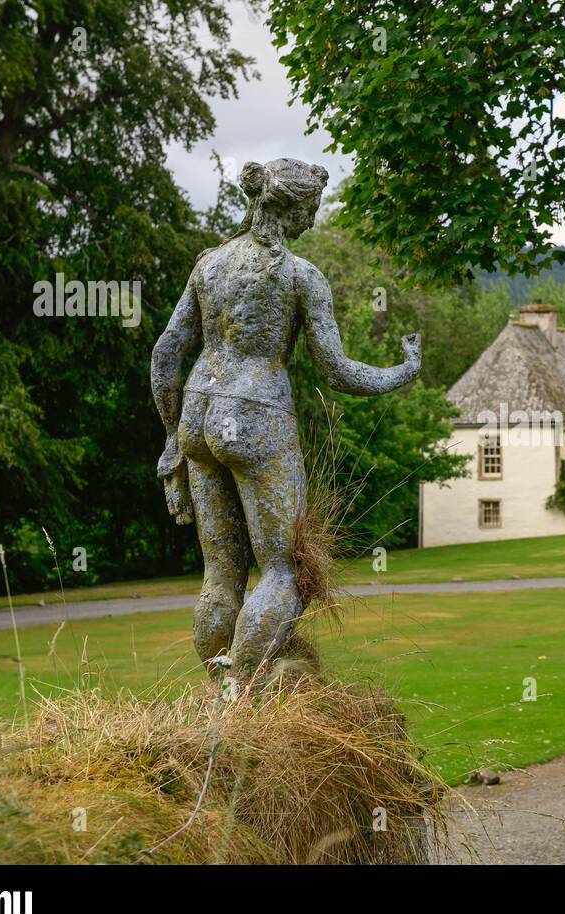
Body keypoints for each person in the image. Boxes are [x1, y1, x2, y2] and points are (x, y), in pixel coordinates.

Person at [151, 158, 421, 674]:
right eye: (312, 209)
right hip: (256, 413)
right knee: (285, 571)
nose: (314, 222)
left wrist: (171, 440)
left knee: (219, 572)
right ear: (293, 208)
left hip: (197, 411)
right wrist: (403, 371)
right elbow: (338, 373)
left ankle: (217, 690)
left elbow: (166, 353)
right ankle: (246, 691)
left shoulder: (208, 264)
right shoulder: (300, 275)